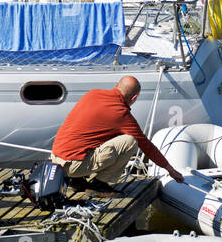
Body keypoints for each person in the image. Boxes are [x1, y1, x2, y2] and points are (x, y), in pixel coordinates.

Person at [51, 76, 185, 191]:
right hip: (74, 166)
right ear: (134, 97)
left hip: (56, 158)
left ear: (116, 86)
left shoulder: (92, 94)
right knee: (130, 142)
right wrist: (171, 170)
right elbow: (146, 146)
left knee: (98, 135)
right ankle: (100, 184)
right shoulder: (121, 114)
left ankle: (76, 180)